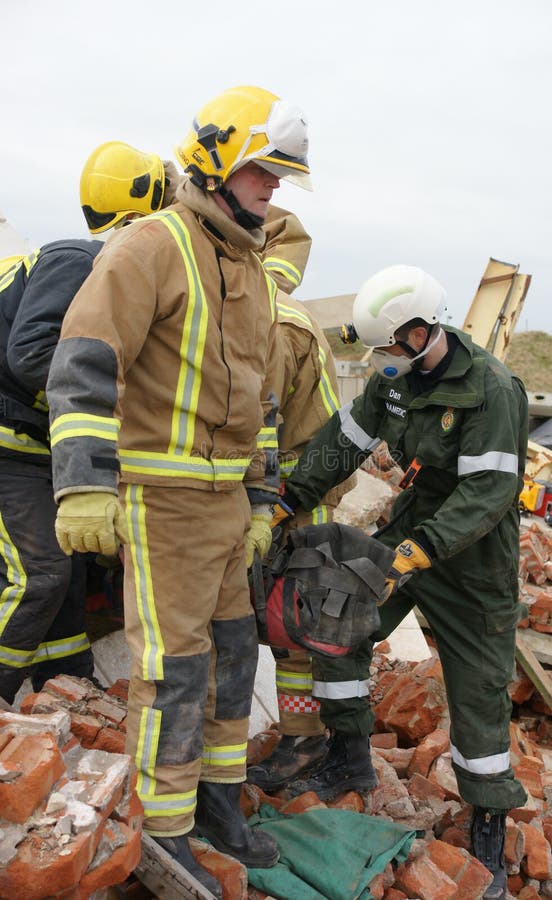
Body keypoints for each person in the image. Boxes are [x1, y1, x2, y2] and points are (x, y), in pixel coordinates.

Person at [46, 85, 311, 894]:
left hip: (229, 509)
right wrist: (83, 488)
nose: (276, 187)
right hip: (162, 505)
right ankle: (165, 828)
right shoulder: (152, 246)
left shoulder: (254, 273)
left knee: (235, 657)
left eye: (280, 174)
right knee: (176, 671)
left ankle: (218, 802)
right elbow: (84, 365)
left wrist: (262, 502)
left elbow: (260, 406)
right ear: (218, 161)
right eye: (265, 170)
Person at [275, 264, 529, 900]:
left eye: (387, 347)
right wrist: (290, 496)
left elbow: (490, 491)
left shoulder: (492, 390)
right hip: (414, 524)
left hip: (473, 554)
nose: (380, 359)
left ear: (418, 335)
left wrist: (419, 552)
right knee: (340, 619)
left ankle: (489, 822)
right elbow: (345, 440)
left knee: (479, 688)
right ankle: (350, 752)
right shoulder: (393, 385)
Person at [246, 209, 358, 791]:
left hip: (294, 493)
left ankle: (305, 740)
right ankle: (309, 736)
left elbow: (258, 421)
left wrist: (265, 503)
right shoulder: (290, 313)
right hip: (301, 485)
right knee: (293, 620)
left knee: (294, 623)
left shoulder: (268, 320)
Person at [0, 242, 105, 704]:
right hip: (9, 445)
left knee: (67, 574)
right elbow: (30, 355)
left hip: (31, 448)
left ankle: (67, 689)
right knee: (39, 576)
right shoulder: (79, 261)